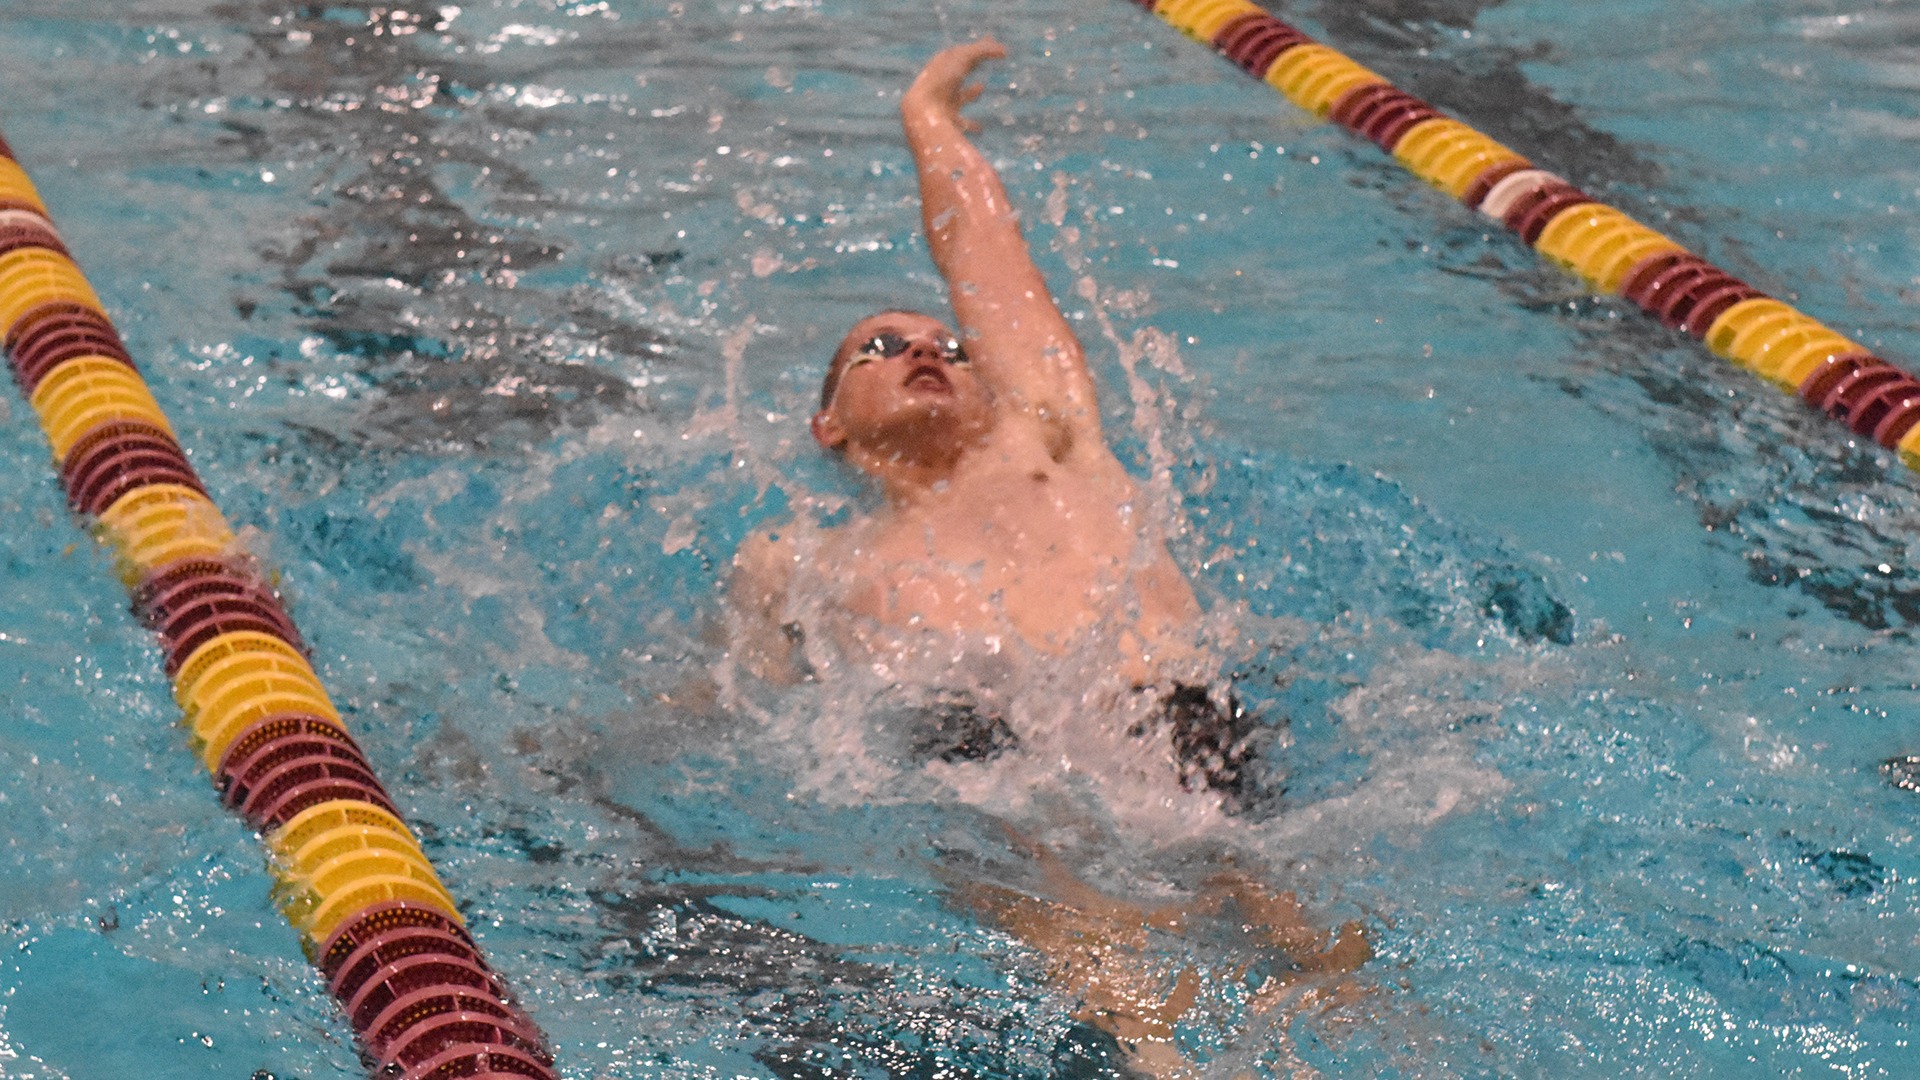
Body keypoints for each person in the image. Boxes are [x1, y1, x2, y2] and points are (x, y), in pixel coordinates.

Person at [729, 37, 1366, 1073]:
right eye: (879, 348)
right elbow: (740, 713)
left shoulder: (1048, 439)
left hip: (1166, 719)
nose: (926, 349)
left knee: (1299, 940)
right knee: (1046, 890)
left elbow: (987, 259)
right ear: (827, 424)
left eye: (949, 346)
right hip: (982, 771)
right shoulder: (797, 559)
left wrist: (929, 124)